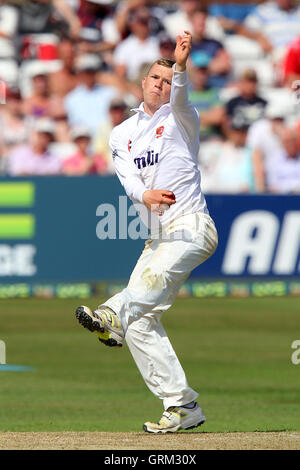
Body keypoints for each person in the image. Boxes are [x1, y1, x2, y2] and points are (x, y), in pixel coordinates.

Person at [75, 31, 218, 433]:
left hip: (191, 226)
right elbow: (126, 179)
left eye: (167, 79)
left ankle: (109, 313)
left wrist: (182, 64)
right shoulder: (122, 133)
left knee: (132, 303)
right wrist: (146, 193)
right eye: (155, 77)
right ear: (143, 83)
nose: (161, 83)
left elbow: (183, 93)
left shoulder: (182, 116)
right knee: (140, 322)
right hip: (158, 236)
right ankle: (182, 405)